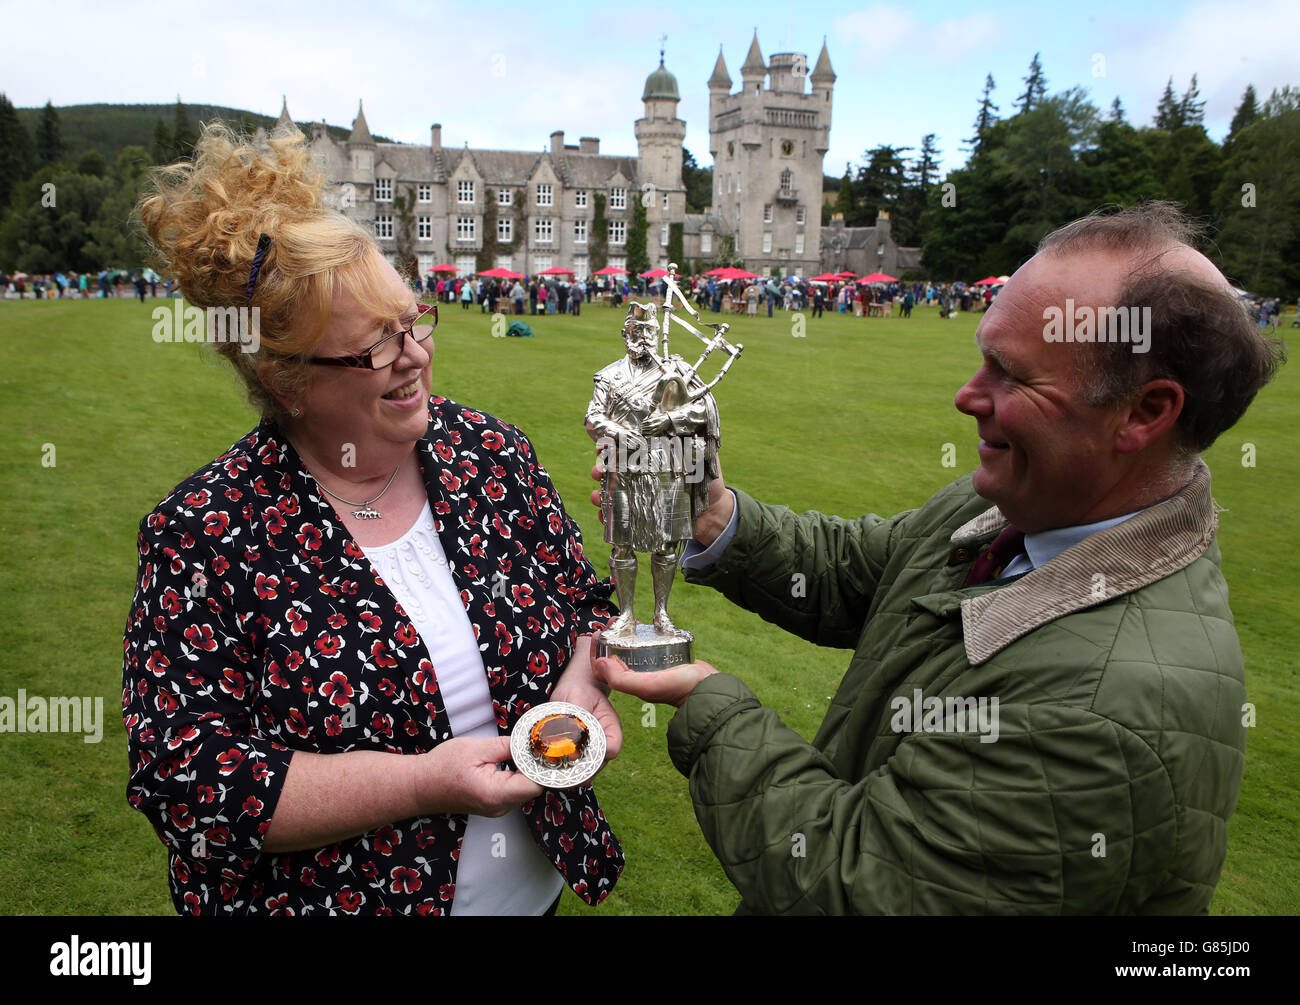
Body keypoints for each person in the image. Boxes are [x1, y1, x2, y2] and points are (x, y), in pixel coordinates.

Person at [593, 202, 1283, 915]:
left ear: (1143, 413)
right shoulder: (1019, 503)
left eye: (1011, 375)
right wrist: (714, 514)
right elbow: (862, 571)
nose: (966, 395)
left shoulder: (1098, 716)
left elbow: (854, 882)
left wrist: (712, 709)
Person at [124, 123, 625, 916]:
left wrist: (571, 707)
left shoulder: (487, 451)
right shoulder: (206, 532)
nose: (415, 354)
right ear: (284, 378)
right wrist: (421, 781)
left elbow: (589, 605)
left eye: (413, 319)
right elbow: (188, 780)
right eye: (373, 348)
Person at [585, 301, 720, 640]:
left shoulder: (674, 373)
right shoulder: (609, 376)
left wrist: (671, 418)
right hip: (622, 466)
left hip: (668, 464)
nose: (642, 337)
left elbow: (703, 412)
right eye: (636, 330)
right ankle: (627, 615)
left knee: (666, 545)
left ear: (657, 334)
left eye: (649, 332)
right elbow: (592, 418)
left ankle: (661, 614)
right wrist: (618, 431)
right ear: (624, 333)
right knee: (622, 544)